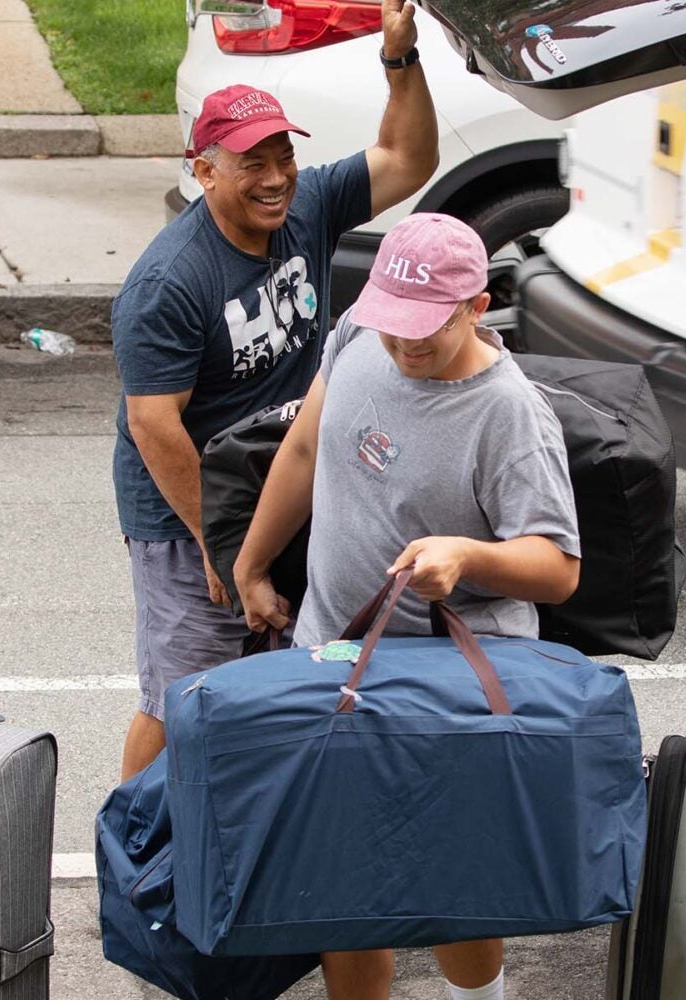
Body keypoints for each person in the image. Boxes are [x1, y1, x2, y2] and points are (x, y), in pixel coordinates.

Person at [233, 213, 581, 1000]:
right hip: (332, 661)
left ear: (476, 305)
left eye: (425, 329)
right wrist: (252, 563)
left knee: (448, 876)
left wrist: (467, 555)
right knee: (341, 882)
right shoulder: (361, 330)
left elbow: (558, 569)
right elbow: (303, 445)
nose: (403, 344)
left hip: (448, 685)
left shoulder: (510, 416)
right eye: (393, 324)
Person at [110, 0, 439, 781]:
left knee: (285, 666)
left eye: (283, 155)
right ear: (205, 171)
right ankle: (132, 852)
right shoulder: (168, 283)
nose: (276, 177)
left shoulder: (306, 209)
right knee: (184, 689)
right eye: (251, 162)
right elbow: (156, 427)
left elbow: (407, 158)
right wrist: (220, 544)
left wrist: (401, 60)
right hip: (186, 508)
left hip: (279, 479)